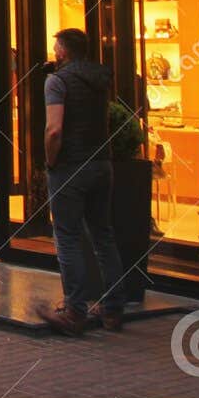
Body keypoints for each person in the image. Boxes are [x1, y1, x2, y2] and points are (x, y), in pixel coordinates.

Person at [43, 28, 129, 334]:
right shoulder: (99, 80)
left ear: (64, 52)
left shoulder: (58, 81)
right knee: (103, 235)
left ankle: (75, 312)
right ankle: (113, 309)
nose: (53, 52)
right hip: (101, 163)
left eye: (56, 47)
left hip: (71, 166)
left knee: (67, 237)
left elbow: (54, 130)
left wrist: (51, 161)